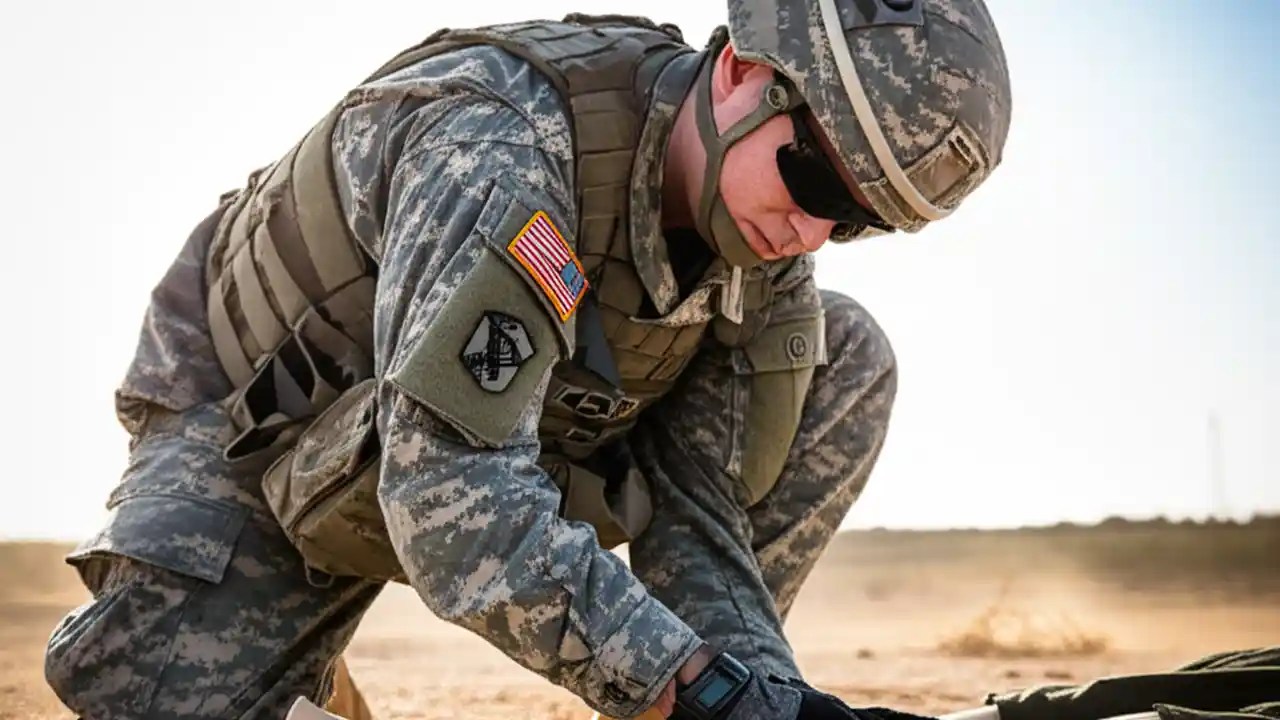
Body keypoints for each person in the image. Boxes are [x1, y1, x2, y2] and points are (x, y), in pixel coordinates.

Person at [43, 0, 1012, 718]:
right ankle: (281, 654)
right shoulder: (504, 150)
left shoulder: (761, 259)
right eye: (807, 175)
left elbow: (701, 526)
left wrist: (757, 698)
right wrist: (690, 692)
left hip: (495, 433)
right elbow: (449, 507)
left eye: (852, 222)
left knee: (841, 359)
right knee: (143, 692)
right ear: (736, 75)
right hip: (261, 421)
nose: (807, 230)